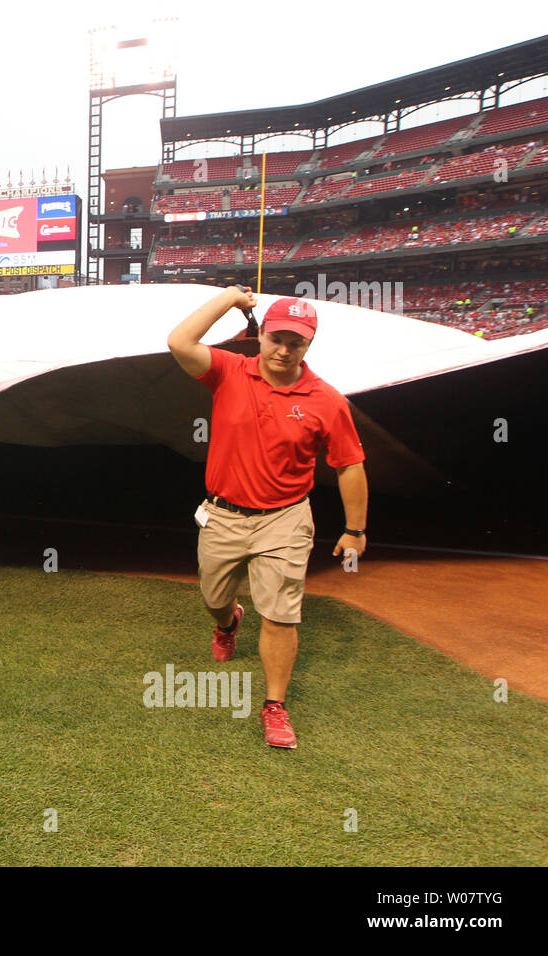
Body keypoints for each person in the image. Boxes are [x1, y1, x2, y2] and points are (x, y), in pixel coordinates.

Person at [166, 288, 368, 749]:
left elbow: (349, 465)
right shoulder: (228, 371)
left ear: (308, 346)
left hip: (286, 518)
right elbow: (179, 341)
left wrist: (355, 530)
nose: (283, 349)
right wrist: (229, 299)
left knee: (280, 613)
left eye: (295, 342)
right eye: (276, 338)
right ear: (261, 337)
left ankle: (274, 706)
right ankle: (227, 621)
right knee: (213, 595)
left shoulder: (326, 400)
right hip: (223, 513)